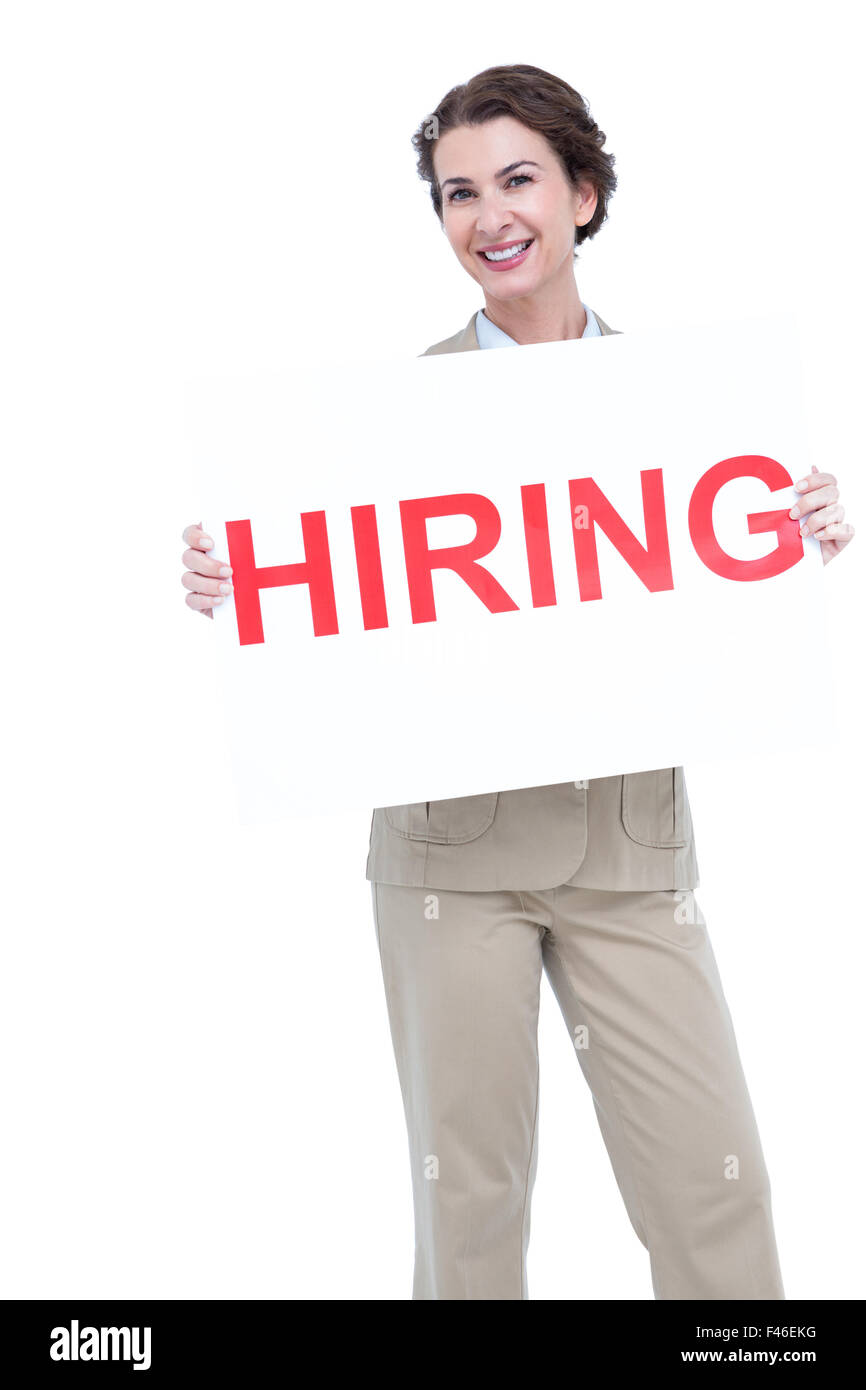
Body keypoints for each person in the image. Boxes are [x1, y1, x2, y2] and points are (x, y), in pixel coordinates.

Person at [180, 63, 854, 1300]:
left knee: (717, 1191)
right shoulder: (379, 426)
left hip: (626, 853)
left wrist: (796, 526)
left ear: (582, 195)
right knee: (471, 1205)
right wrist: (245, 581)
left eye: (516, 180)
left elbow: (720, 597)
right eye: (455, 193)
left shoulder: (702, 415)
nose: (486, 214)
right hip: (450, 864)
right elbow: (329, 607)